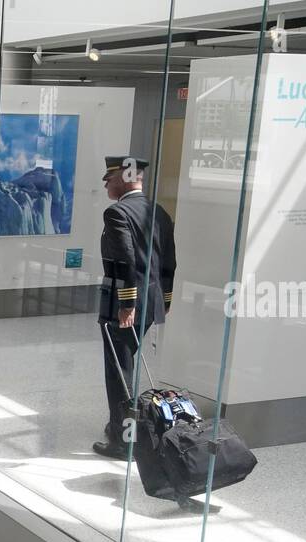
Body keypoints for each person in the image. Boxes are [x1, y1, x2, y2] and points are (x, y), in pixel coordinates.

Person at [93, 155, 176, 462]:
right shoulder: (159, 211)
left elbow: (124, 261)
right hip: (151, 303)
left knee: (119, 371)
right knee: (128, 363)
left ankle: (123, 439)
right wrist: (164, 300)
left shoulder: (117, 213)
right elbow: (169, 261)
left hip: (124, 305)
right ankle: (123, 424)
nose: (106, 184)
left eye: (110, 178)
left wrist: (126, 304)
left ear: (126, 178)